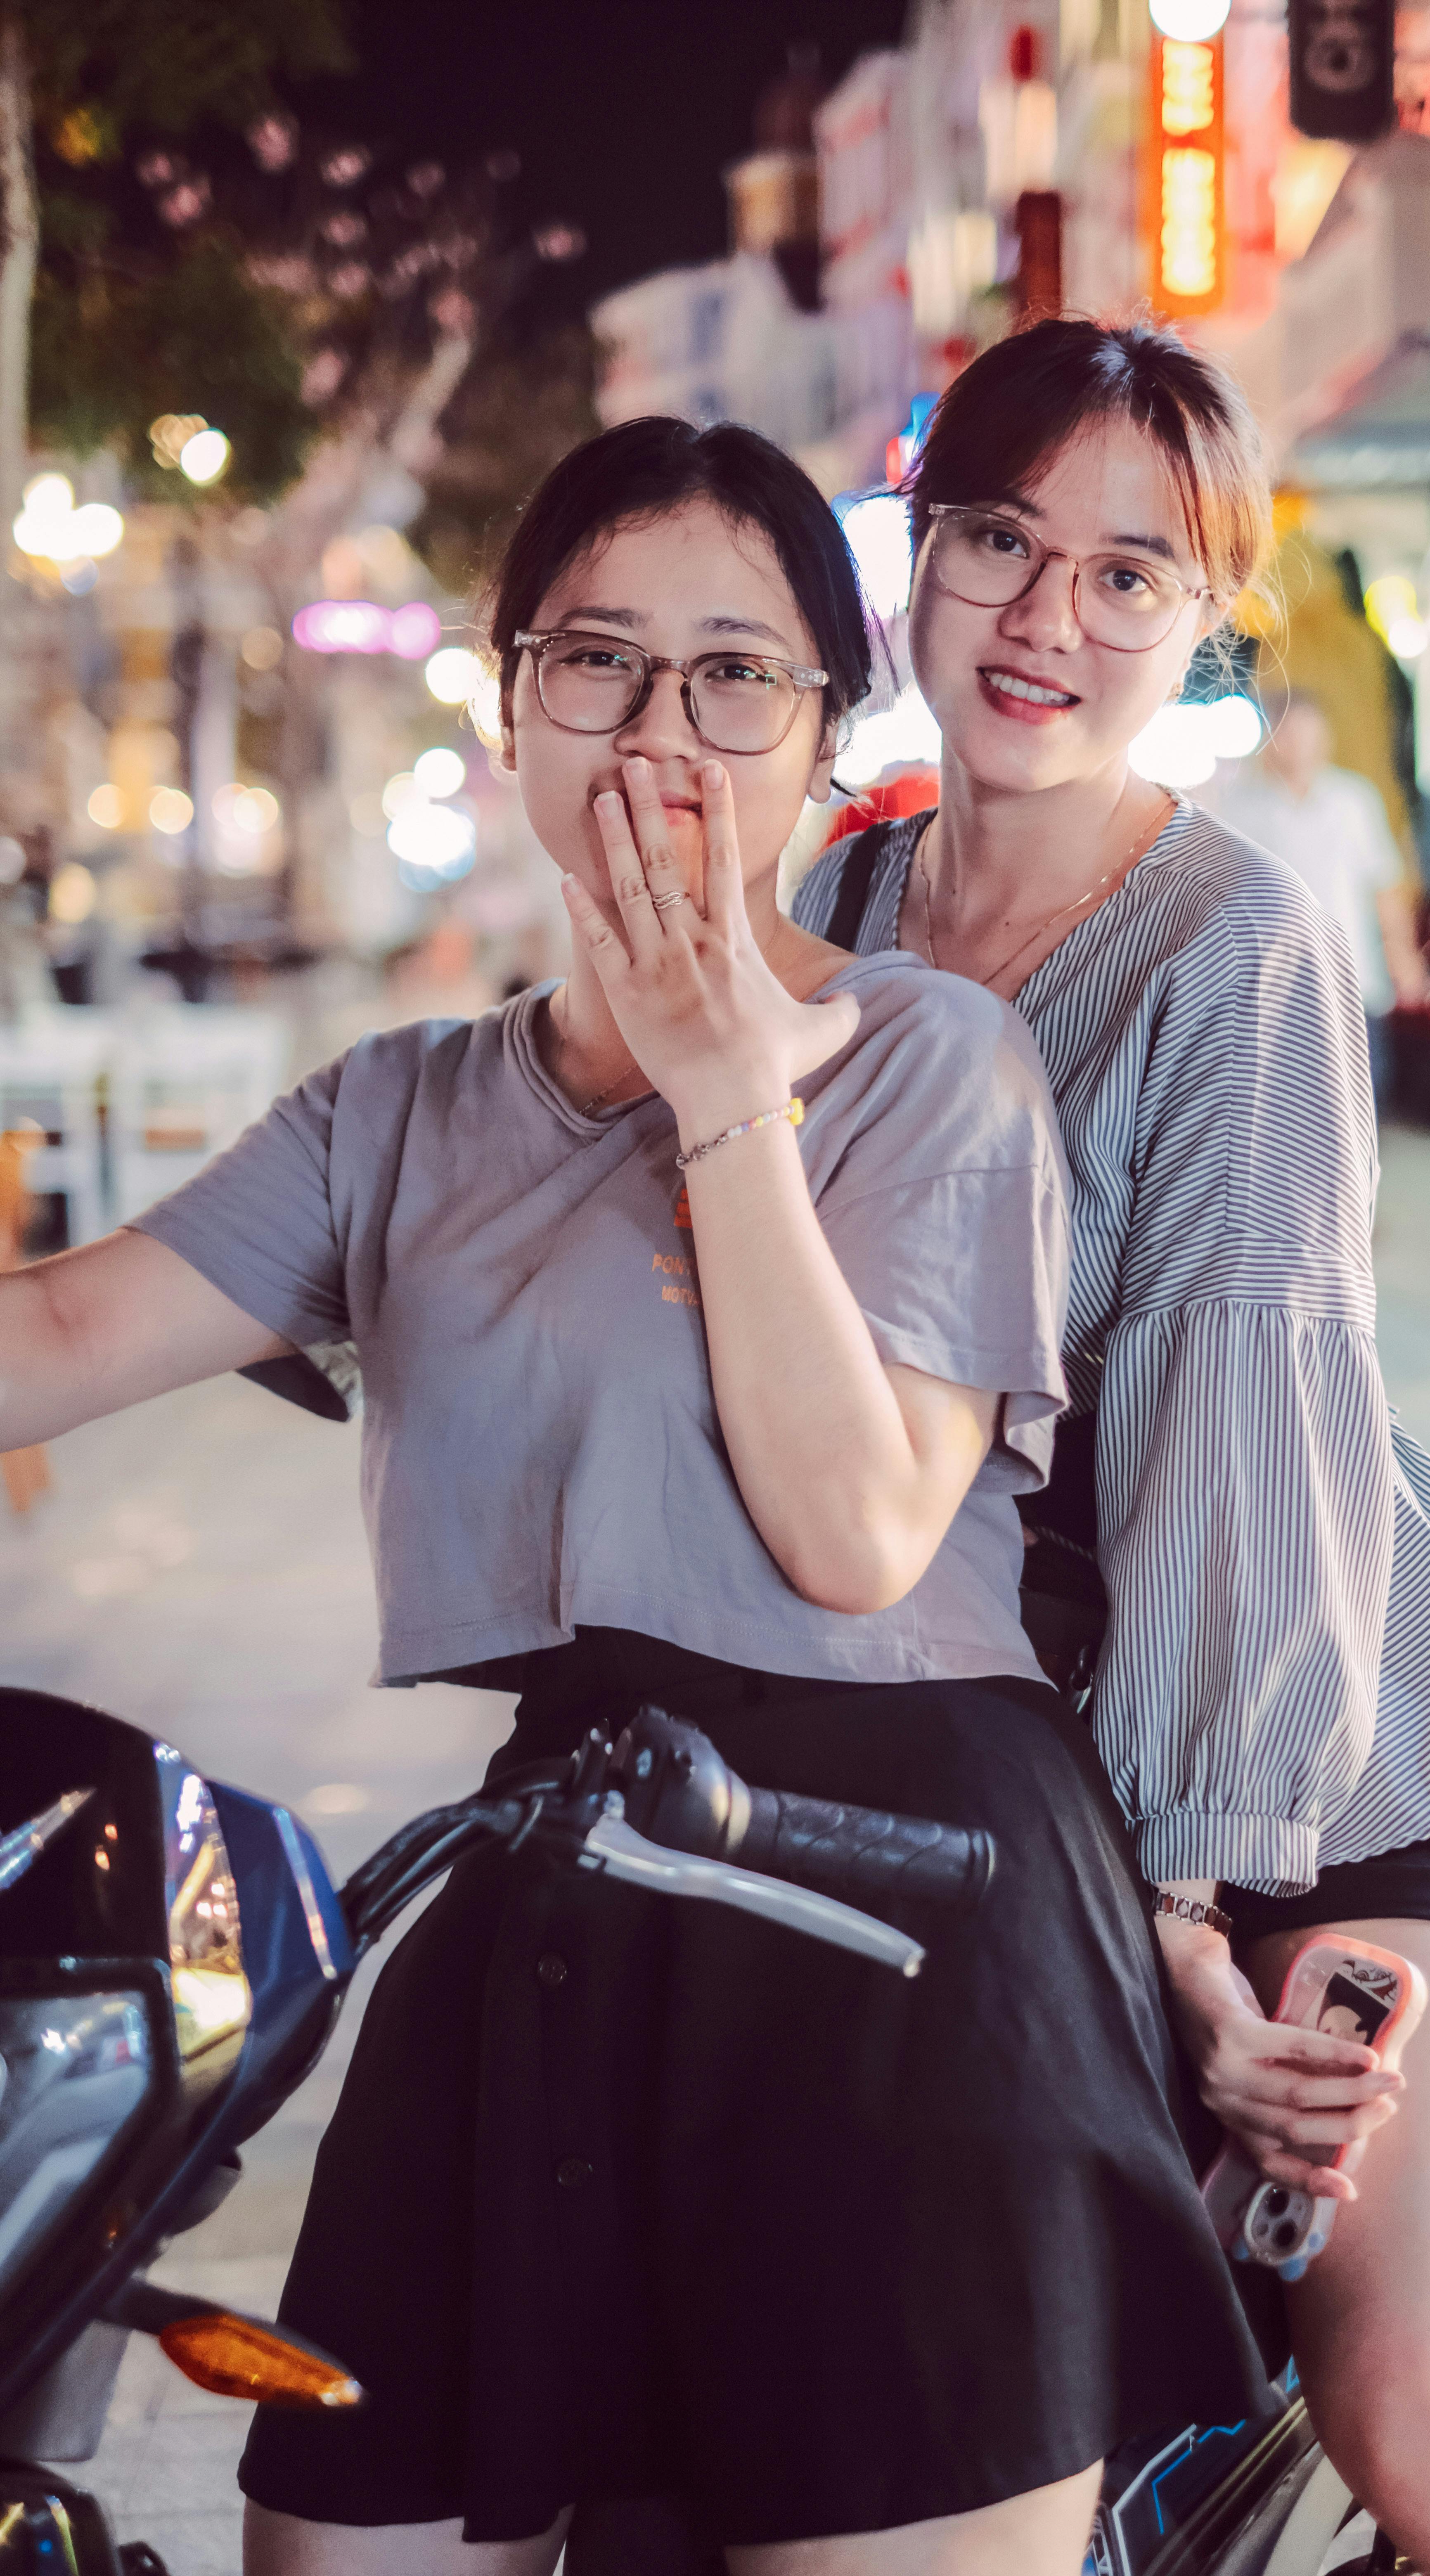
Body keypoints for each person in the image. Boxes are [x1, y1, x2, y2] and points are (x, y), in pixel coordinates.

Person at [0, 415, 1272, 2576]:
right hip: (560, 1882)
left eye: (736, 676)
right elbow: (53, 1333)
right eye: (597, 661)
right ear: (512, 705)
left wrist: (720, 1094)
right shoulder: (401, 1109)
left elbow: (858, 1534)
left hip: (901, 1910)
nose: (662, 731)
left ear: (826, 739)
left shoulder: (933, 1061)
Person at [796, 317, 1430, 2576]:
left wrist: (1185, 1913)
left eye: (1126, 575)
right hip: (997, 1772)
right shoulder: (839, 914)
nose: (1045, 618)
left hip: (1324, 1768)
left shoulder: (1235, 946)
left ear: (1202, 620)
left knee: (1423, 2411)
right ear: (919, 556)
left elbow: (1244, 1456)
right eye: (1001, 542)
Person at [1210, 689, 1428, 1107]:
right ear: (1270, 738)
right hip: (1270, 982)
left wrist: (1402, 954)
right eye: (1289, 734)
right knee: (1281, 1101)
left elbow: (1383, 883)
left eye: (1310, 735)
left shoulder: (1353, 801)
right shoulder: (1238, 807)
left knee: (1359, 1095)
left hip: (1349, 973)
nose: (1301, 746)